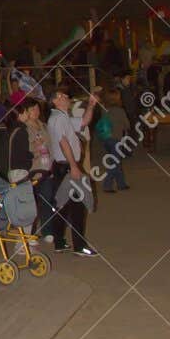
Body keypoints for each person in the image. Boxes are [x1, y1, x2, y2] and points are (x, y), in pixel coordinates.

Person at [46, 87, 99, 257]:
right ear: (55, 101)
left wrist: (91, 105)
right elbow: (63, 142)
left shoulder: (63, 117)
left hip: (64, 166)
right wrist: (74, 166)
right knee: (78, 206)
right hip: (67, 166)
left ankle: (59, 241)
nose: (68, 97)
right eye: (63, 96)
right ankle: (79, 246)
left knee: (63, 205)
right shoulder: (57, 119)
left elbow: (83, 122)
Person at [8, 100, 54, 235]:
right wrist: (37, 149)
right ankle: (25, 239)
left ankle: (44, 232)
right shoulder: (22, 130)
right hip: (28, 171)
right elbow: (23, 153)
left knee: (45, 199)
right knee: (27, 206)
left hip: (42, 168)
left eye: (37, 109)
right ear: (23, 113)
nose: (35, 112)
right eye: (31, 110)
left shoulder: (43, 126)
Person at [99, 89, 131, 193]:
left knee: (116, 161)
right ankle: (107, 185)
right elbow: (127, 125)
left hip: (106, 139)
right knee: (115, 163)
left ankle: (121, 183)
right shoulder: (120, 111)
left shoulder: (104, 109)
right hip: (116, 139)